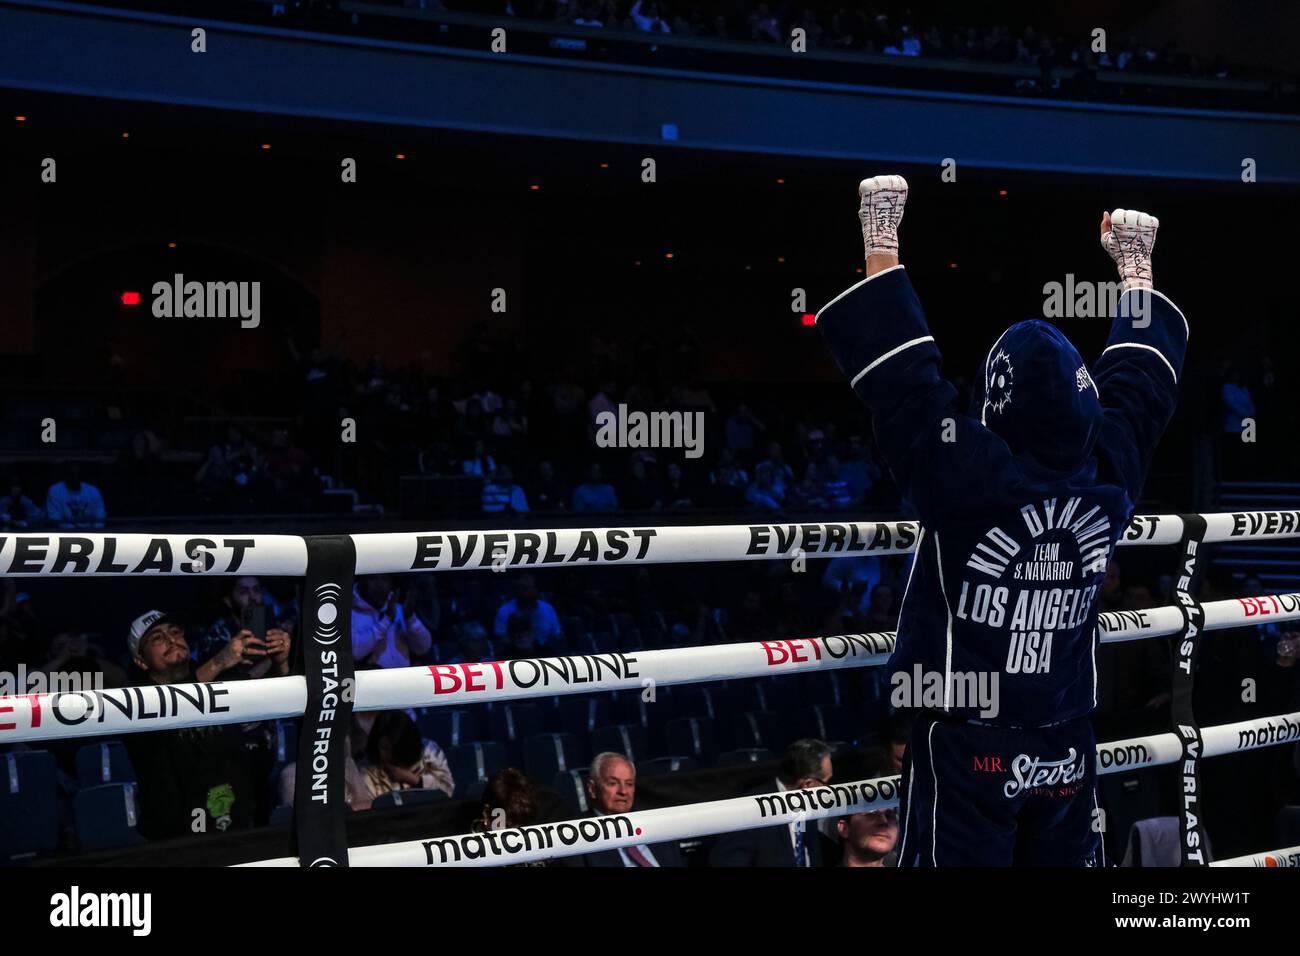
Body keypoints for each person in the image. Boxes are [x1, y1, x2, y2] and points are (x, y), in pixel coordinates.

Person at [815, 175, 1186, 866]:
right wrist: (1136, 267)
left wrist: (880, 238)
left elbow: (902, 380)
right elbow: (1143, 380)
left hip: (971, 738)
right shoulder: (1111, 466)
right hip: (1065, 737)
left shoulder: (968, 473)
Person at [123, 610, 265, 837]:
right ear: (141, 661)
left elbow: (274, 706)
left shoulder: (223, 678)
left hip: (240, 832)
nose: (171, 640)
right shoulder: (134, 701)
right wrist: (218, 662)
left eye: (175, 632)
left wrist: (282, 662)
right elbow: (172, 704)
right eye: (157, 638)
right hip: (176, 844)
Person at [709, 738, 834, 867]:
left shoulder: (808, 807)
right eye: (826, 782)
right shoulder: (749, 813)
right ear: (808, 784)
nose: (828, 789)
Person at [565, 752, 683, 867]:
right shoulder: (576, 834)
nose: (623, 791)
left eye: (629, 783)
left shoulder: (654, 825)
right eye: (613, 783)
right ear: (592, 789)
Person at [359, 710, 454, 800]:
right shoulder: (366, 770)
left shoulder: (430, 751)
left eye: (396, 748)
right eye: (384, 748)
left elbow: (448, 791)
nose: (389, 755)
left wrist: (414, 780)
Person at [352, 574, 434, 669]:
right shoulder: (349, 613)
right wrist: (386, 620)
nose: (380, 585)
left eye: (385, 579)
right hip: (372, 682)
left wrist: (411, 619)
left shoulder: (398, 609)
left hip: (405, 680)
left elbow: (423, 648)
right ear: (361, 581)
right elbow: (355, 652)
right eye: (372, 578)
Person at [493, 573, 563, 649]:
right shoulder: (504, 611)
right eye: (518, 588)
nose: (520, 592)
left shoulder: (548, 608)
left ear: (536, 590)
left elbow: (556, 635)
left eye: (525, 588)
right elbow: (501, 641)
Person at [44, 464, 106, 529]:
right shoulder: (55, 490)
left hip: (90, 532)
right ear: (65, 475)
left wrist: (91, 532)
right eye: (71, 474)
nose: (74, 477)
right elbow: (54, 519)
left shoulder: (93, 491)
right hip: (64, 533)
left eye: (76, 474)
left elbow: (100, 519)